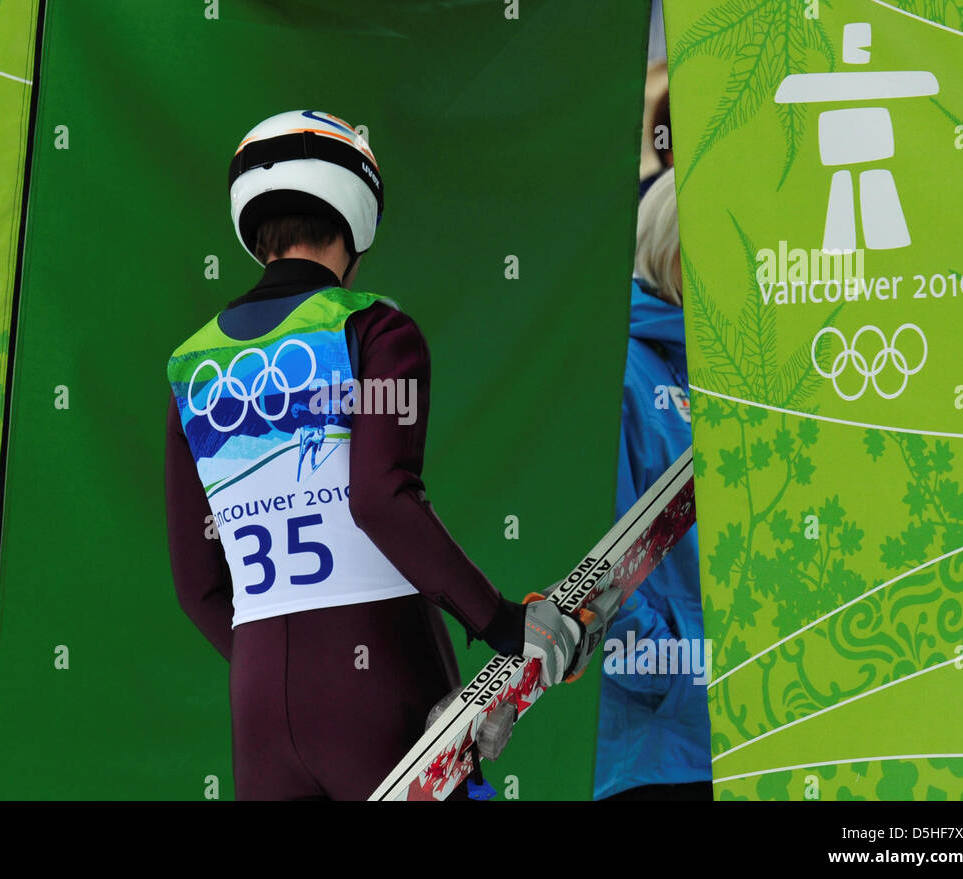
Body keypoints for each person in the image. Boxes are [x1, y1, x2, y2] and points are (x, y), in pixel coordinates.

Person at [163, 110, 581, 800]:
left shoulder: (191, 367)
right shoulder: (377, 329)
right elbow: (381, 498)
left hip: (258, 700)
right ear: (357, 214)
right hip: (381, 671)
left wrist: (281, 671)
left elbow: (197, 587)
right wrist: (504, 623)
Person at [593, 169, 712, 801]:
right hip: (654, 752)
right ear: (674, 252)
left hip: (751, 732)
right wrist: (676, 677)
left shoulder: (742, 371)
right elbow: (595, 569)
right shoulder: (621, 373)